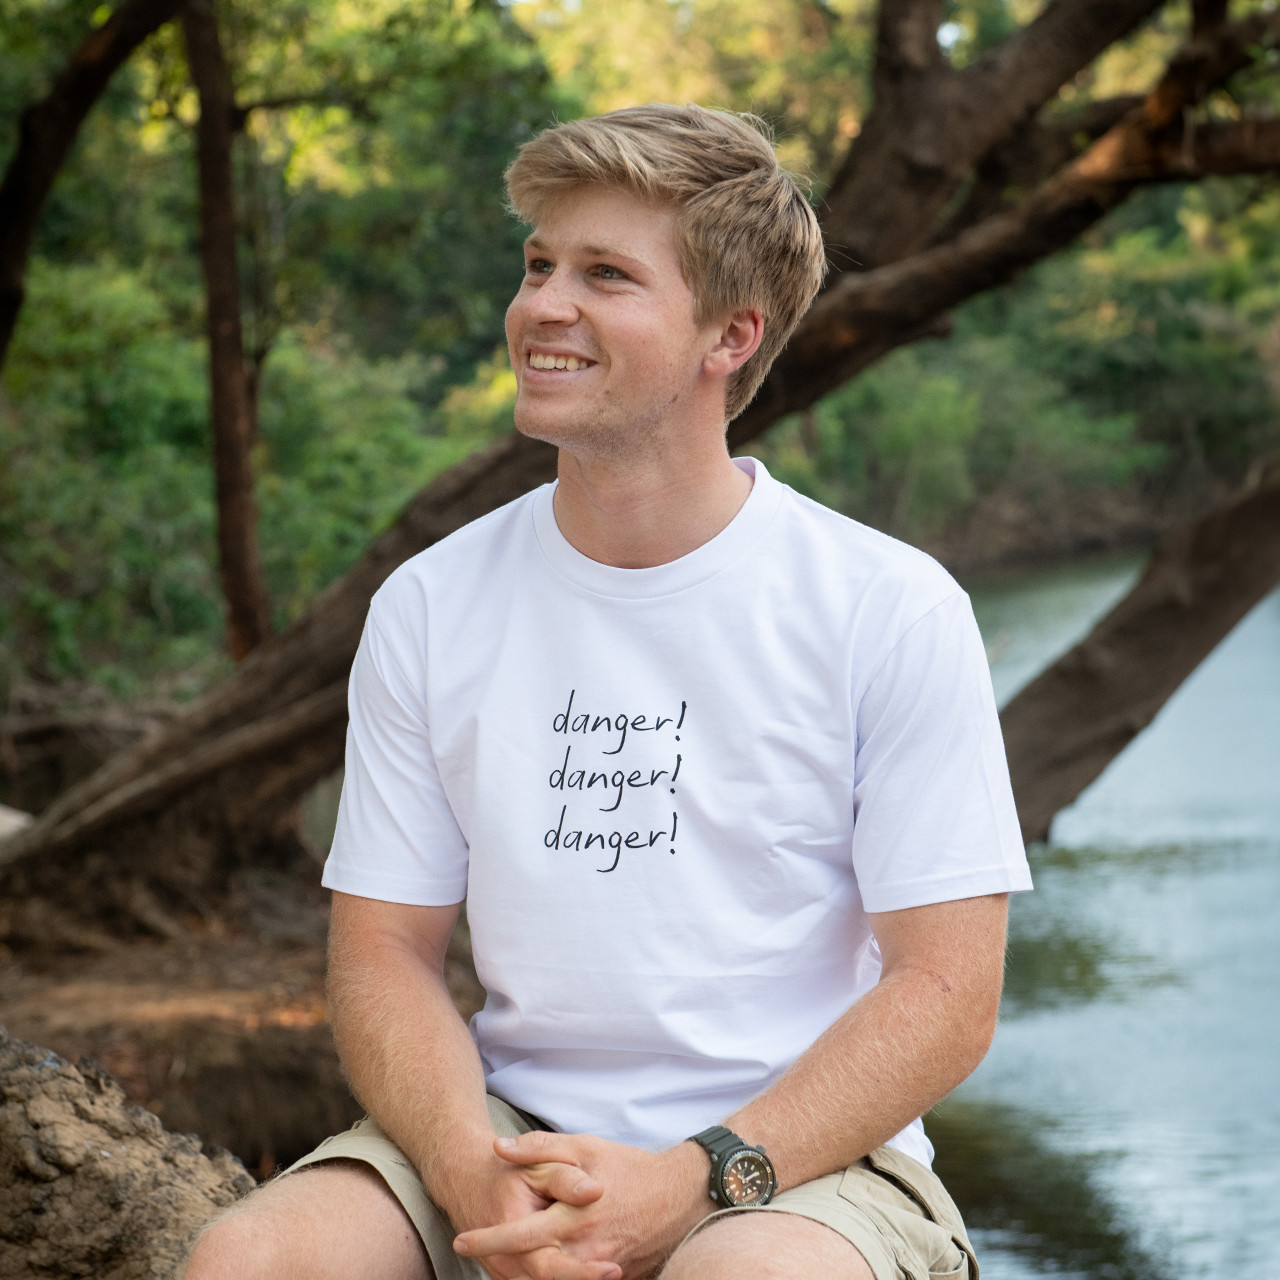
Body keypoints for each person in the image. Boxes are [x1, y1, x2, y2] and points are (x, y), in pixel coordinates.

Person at [183, 103, 1031, 1280]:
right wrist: (471, 1166)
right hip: (510, 1128)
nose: (541, 306)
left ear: (726, 335)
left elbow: (946, 991)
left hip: (798, 1164)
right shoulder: (430, 603)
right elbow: (384, 948)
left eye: (604, 275)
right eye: (538, 265)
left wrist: (693, 1178)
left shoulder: (886, 604)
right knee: (251, 1262)